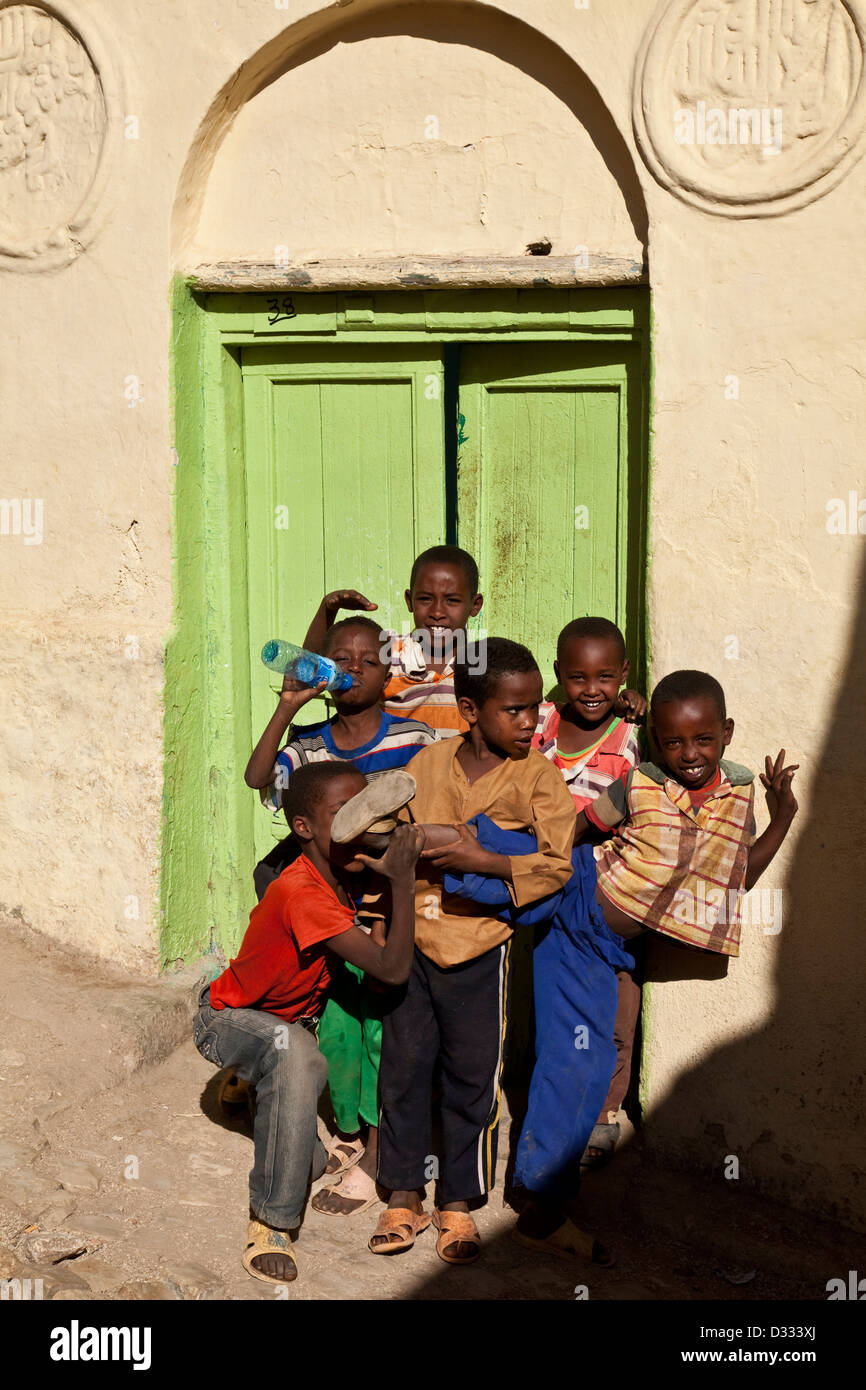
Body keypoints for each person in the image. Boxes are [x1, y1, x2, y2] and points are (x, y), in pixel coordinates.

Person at [513, 669, 799, 1257]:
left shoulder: (738, 795)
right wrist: (539, 870)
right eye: (673, 742)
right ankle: (539, 1210)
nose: (689, 755)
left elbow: (735, 877)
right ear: (655, 740)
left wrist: (784, 815)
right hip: (579, 909)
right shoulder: (638, 783)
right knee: (574, 1060)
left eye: (703, 741)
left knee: (589, 1068)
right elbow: (577, 829)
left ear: (727, 733)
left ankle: (543, 1194)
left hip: (608, 946)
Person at [370, 637, 576, 1264]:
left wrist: (482, 857)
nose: (530, 722)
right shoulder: (428, 765)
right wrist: (384, 909)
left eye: (536, 708)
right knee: (404, 1071)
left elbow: (557, 866)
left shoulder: (539, 777)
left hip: (482, 950)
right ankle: (402, 1195)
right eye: (513, 710)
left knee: (471, 1079)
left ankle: (457, 1204)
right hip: (415, 942)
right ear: (469, 709)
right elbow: (387, 839)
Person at [193, 762, 424, 1285]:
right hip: (227, 1017)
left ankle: (250, 1092)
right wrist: (403, 884)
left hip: (283, 1019)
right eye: (343, 811)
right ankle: (270, 1222)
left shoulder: (343, 871)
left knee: (313, 1160)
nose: (361, 819)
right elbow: (391, 967)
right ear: (303, 828)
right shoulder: (304, 891)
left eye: (367, 806)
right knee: (295, 1055)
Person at [243, 616, 435, 1215]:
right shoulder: (306, 745)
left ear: (389, 671)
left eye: (367, 660)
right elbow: (258, 779)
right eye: (339, 659)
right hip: (332, 913)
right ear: (320, 668)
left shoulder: (418, 740)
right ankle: (348, 1134)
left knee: (385, 1033)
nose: (352, 669)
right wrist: (284, 708)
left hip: (388, 907)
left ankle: (379, 1150)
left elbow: (420, 826)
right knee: (340, 1030)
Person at [532, 616, 645, 1169]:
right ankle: (552, 1101)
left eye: (606, 677)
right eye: (578, 677)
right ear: (559, 675)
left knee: (614, 1001)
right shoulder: (540, 726)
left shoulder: (632, 738)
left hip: (607, 891)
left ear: (624, 675)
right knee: (554, 1003)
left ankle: (604, 1109)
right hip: (540, 881)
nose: (592, 689)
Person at [302, 544, 484, 734]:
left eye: (452, 600)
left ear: (475, 605)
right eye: (425, 599)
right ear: (409, 600)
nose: (437, 612)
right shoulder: (385, 652)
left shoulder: (481, 666)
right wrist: (327, 611)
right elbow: (310, 672)